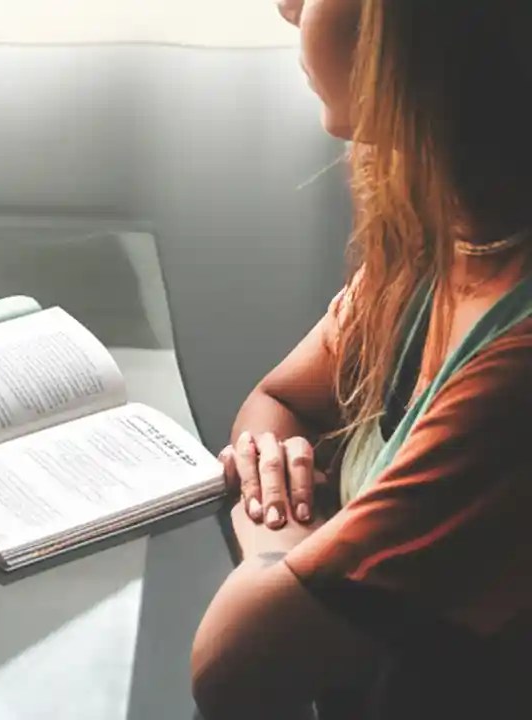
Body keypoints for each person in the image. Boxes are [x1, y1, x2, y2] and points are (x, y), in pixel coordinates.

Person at [190, 1, 532, 719]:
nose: (285, 8)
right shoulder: (441, 224)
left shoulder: (516, 368)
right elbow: (280, 401)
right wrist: (292, 540)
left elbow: (236, 663)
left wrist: (274, 533)